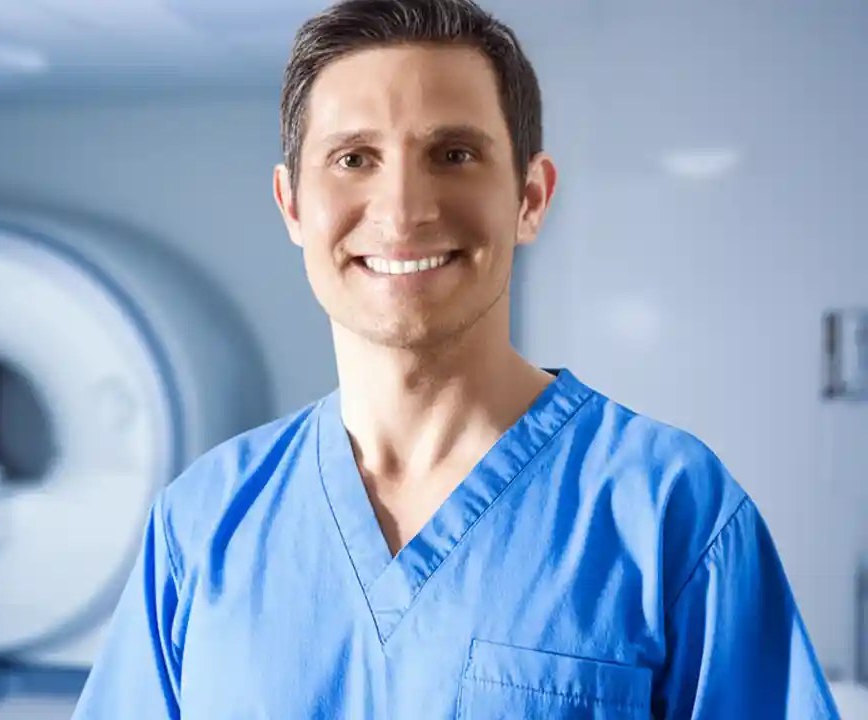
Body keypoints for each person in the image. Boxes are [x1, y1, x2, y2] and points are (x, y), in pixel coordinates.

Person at [71, 0, 839, 717]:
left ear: (530, 198)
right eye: (354, 159)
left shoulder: (667, 509)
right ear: (293, 206)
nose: (404, 209)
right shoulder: (202, 524)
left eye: (454, 152)